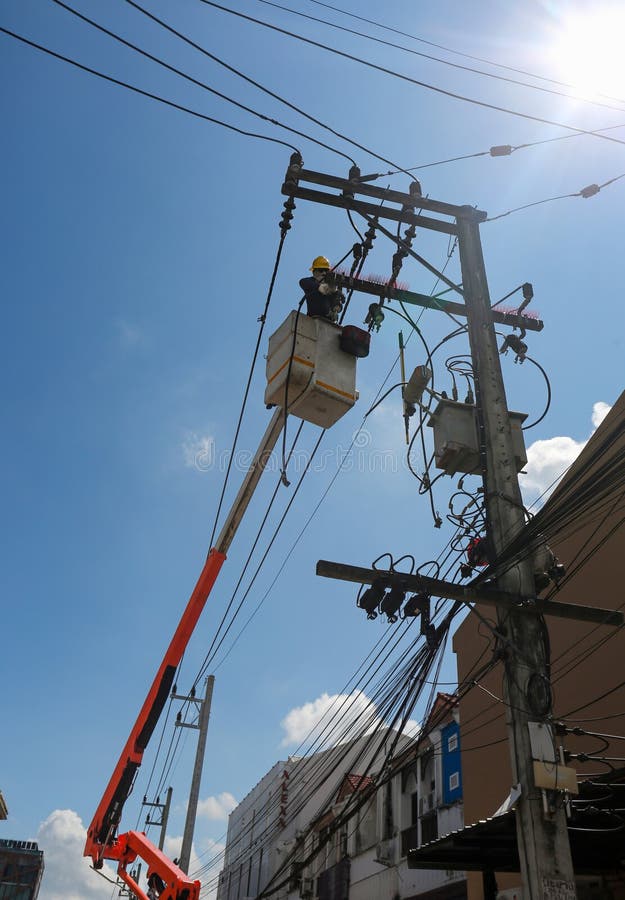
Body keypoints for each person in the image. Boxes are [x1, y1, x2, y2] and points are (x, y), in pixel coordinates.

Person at [299, 255, 344, 321]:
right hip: (313, 319)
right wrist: (319, 286)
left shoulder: (331, 286)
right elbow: (302, 282)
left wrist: (337, 301)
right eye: (321, 270)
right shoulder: (310, 281)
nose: (324, 273)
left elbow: (337, 301)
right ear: (314, 272)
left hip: (328, 321)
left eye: (326, 270)